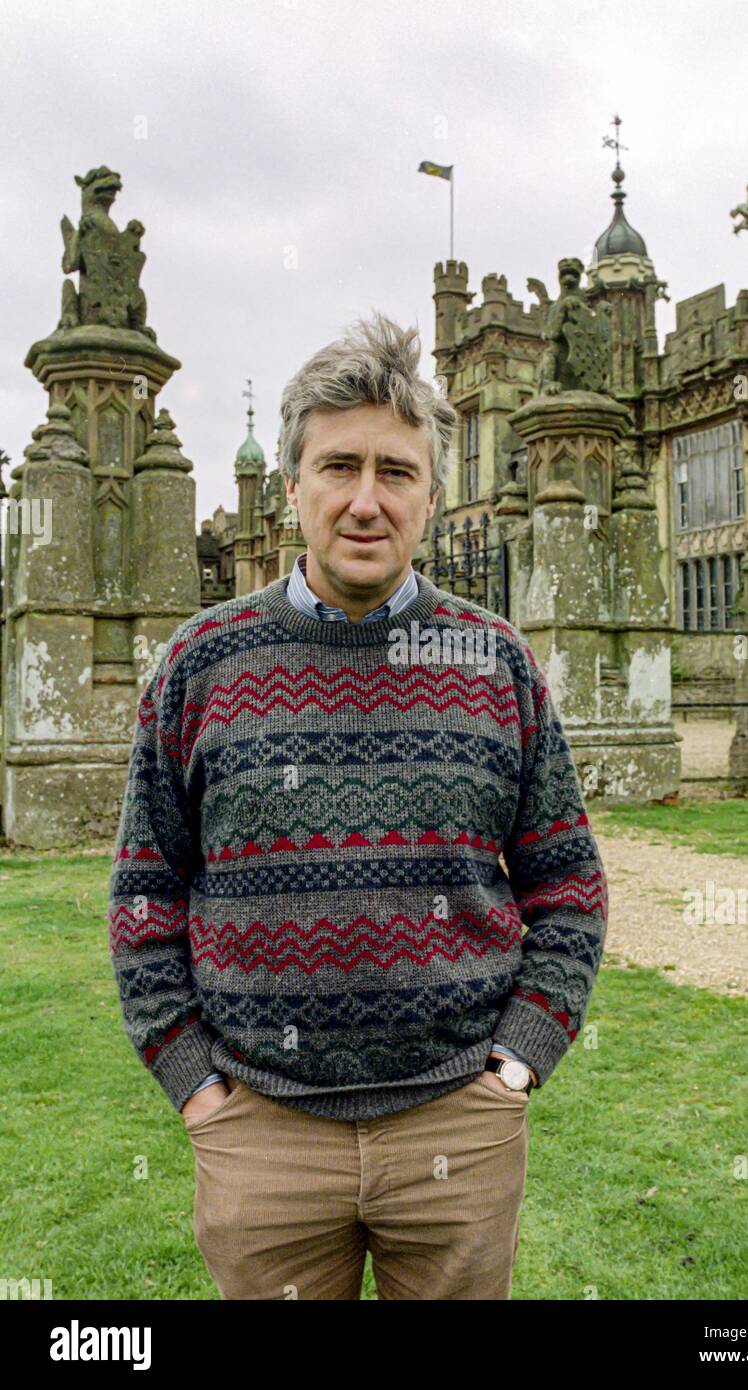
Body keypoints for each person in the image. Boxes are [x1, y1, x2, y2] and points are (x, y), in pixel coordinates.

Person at [108, 312, 608, 1300]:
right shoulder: (200, 666)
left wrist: (517, 1062)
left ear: (430, 494)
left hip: (454, 1127)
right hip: (262, 1129)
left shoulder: (494, 660)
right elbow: (144, 894)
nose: (365, 501)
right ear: (290, 486)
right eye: (338, 467)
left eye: (396, 471)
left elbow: (568, 885)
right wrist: (194, 1083)